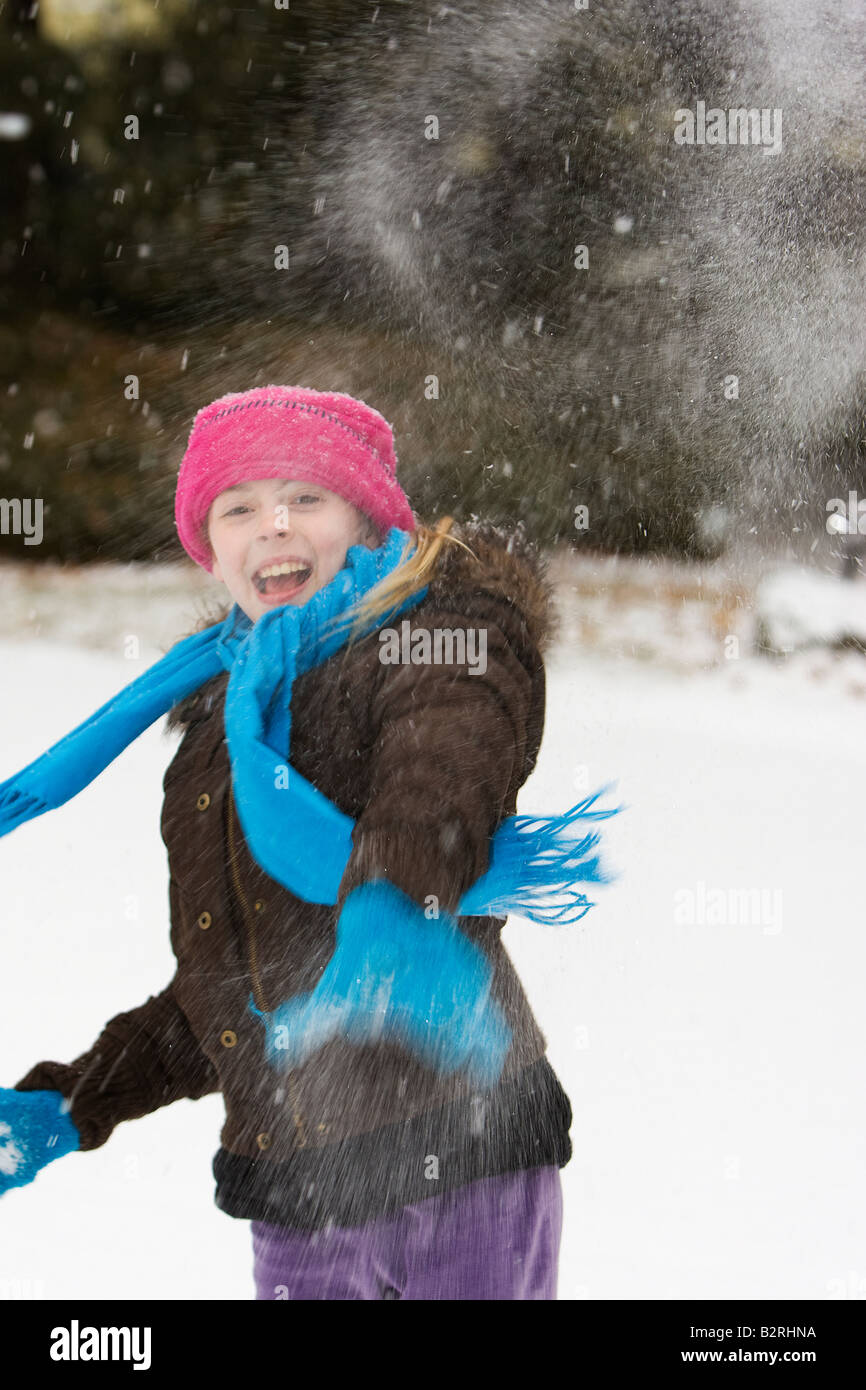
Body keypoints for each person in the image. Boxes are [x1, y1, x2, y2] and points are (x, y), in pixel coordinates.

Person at [0, 385, 613, 1300]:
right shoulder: (216, 739)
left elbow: (439, 767)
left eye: (306, 498)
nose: (272, 526)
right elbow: (231, 994)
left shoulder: (431, 637)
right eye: (238, 508)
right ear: (211, 550)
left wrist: (389, 911)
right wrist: (75, 1100)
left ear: (366, 521)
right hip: (297, 1197)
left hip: (467, 1152)